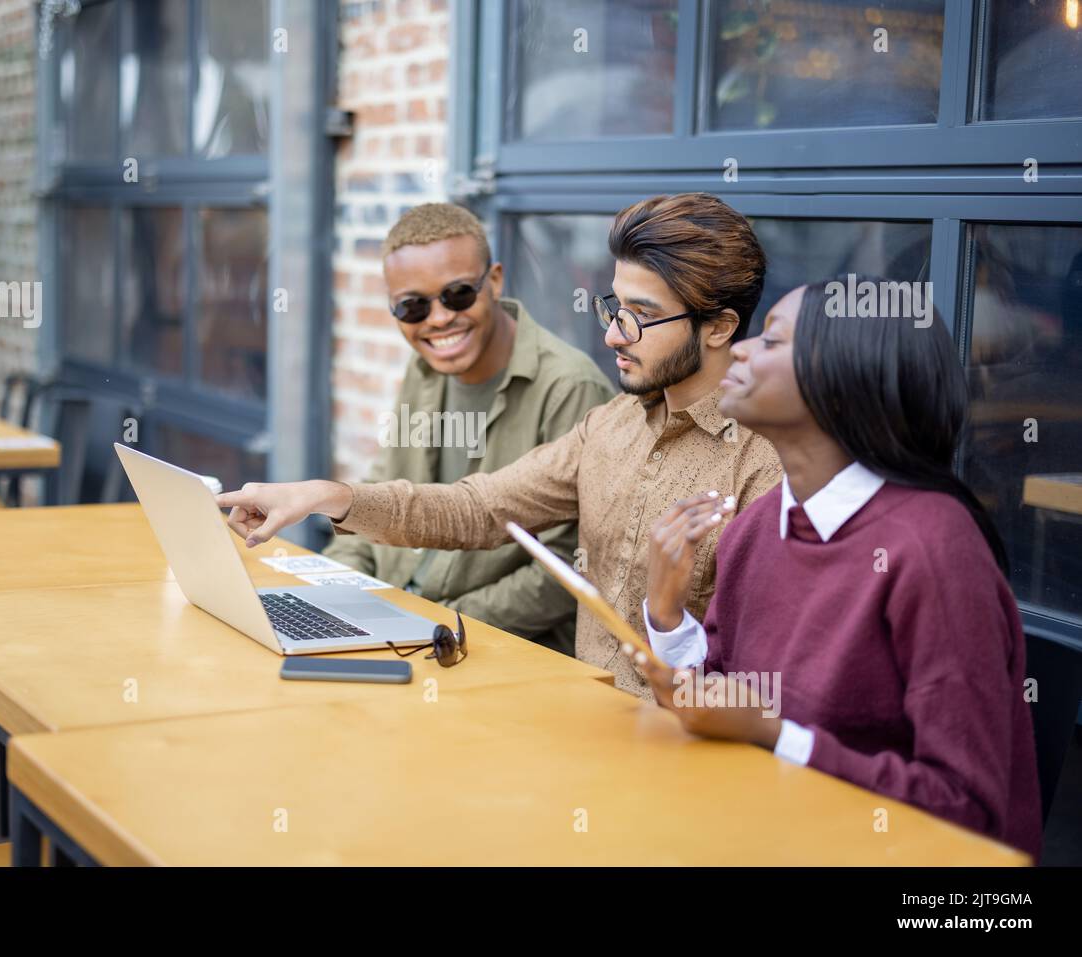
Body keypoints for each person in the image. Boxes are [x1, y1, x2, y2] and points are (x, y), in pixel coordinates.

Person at [217, 193, 783, 694]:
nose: (612, 333)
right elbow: (480, 507)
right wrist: (326, 496)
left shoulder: (766, 469)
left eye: (641, 316)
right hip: (573, 717)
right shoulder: (612, 425)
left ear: (718, 326)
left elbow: (763, 683)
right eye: (616, 307)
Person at [628, 276, 1042, 858]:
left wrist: (777, 737)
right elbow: (726, 699)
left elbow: (966, 809)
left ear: (845, 380)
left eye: (772, 341)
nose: (741, 349)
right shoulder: (759, 523)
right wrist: (667, 620)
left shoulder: (933, 549)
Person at [324, 203, 614, 655]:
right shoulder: (424, 370)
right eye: (413, 306)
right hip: (398, 622)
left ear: (494, 281)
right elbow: (378, 489)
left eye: (458, 294)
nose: (438, 319)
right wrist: (333, 588)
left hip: (490, 647)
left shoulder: (570, 387)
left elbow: (567, 567)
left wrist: (434, 625)